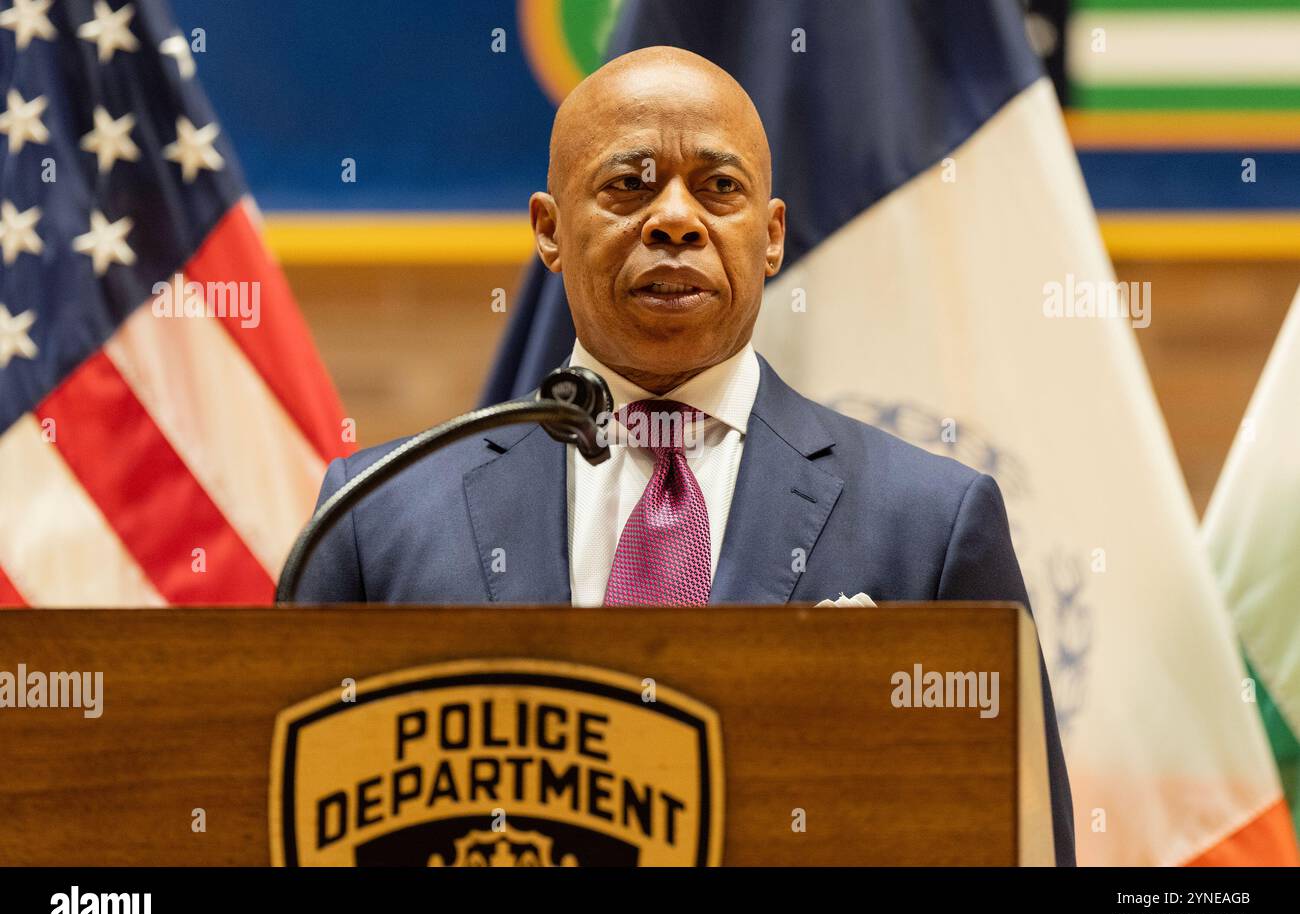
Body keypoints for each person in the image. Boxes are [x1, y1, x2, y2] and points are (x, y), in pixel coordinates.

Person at [299, 46, 1075, 865]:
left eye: (720, 188)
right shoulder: (375, 514)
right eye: (629, 185)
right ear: (549, 230)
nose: (675, 219)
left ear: (771, 237)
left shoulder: (931, 524)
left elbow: (1021, 842)